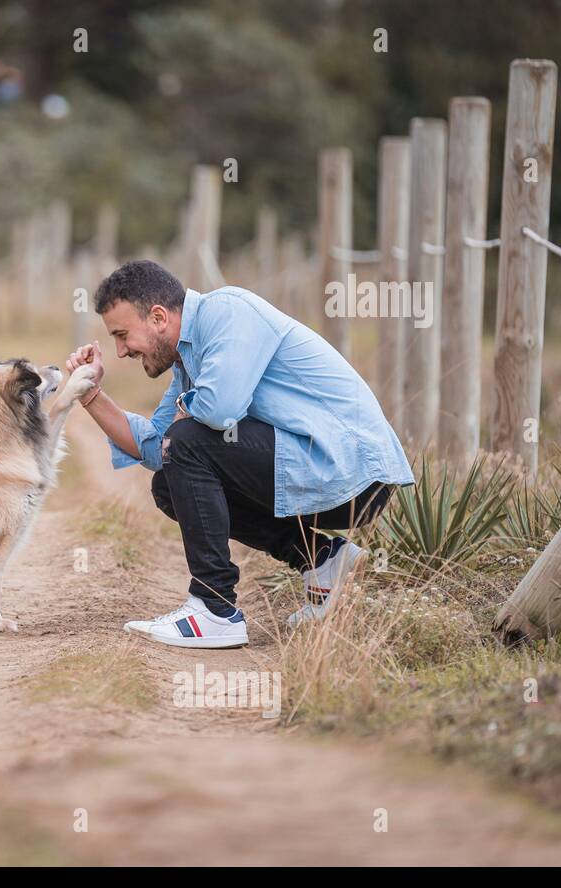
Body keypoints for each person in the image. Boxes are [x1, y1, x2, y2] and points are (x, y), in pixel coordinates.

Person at [67, 260, 413, 649]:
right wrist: (90, 394)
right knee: (168, 480)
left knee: (187, 442)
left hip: (352, 472)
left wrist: (185, 419)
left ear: (159, 317)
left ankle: (214, 609)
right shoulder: (188, 361)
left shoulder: (228, 312)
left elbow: (217, 410)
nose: (119, 351)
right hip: (318, 472)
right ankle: (323, 559)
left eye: (122, 335)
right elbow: (154, 449)